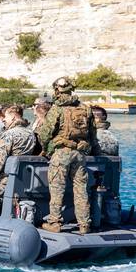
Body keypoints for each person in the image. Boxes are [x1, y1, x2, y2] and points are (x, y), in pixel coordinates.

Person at [35, 77, 96, 234]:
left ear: (57, 91)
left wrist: (46, 150)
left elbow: (45, 133)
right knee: (81, 189)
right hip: (80, 154)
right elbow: (93, 134)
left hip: (62, 152)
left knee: (57, 188)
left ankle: (55, 222)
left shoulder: (57, 109)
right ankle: (84, 224)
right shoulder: (85, 108)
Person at [0, 105, 38, 216]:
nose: (3, 119)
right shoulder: (31, 134)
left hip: (5, 178)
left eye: (6, 117)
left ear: (13, 118)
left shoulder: (9, 134)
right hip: (24, 178)